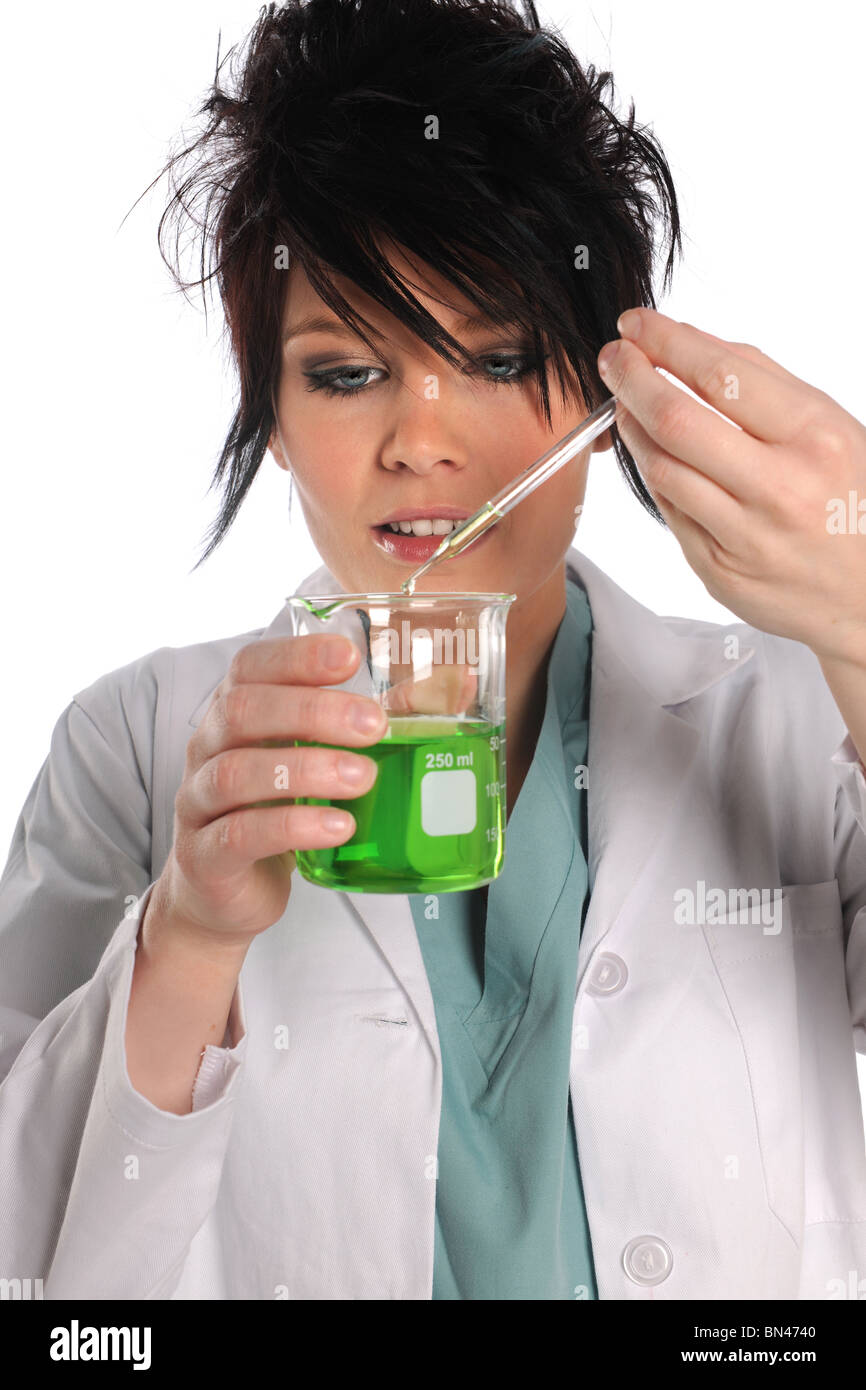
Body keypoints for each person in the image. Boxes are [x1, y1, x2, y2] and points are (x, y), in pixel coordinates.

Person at [1, 0, 865, 1301]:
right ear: (272, 417)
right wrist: (185, 937)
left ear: (597, 397)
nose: (420, 440)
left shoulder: (792, 715)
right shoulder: (133, 748)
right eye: (344, 372)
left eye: (500, 355)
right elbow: (43, 1272)